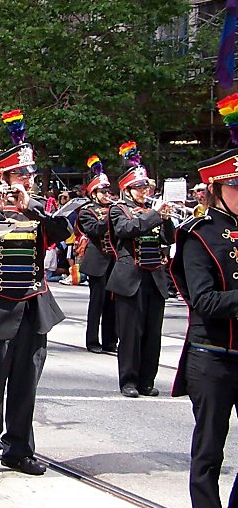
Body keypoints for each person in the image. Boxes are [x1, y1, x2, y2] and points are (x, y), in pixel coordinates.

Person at [0, 109, 71, 483]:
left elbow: (62, 232)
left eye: (29, 174)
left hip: (33, 307)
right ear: (2, 176)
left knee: (26, 385)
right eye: (19, 174)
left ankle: (20, 449)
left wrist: (31, 205)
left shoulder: (36, 210)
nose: (25, 180)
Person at [171, 94, 238, 508]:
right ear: (217, 188)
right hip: (214, 355)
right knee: (209, 453)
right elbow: (206, 302)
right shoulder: (200, 235)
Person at [107, 141, 174, 398]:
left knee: (152, 333)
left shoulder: (152, 211)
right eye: (139, 187)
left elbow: (168, 239)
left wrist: (166, 219)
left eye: (146, 186)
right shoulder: (118, 209)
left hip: (154, 277)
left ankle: (147, 379)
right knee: (130, 333)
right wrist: (155, 215)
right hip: (129, 277)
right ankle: (129, 380)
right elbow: (126, 230)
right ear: (127, 189)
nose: (144, 191)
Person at [76, 155, 117, 354]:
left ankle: (111, 341)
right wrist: (112, 215)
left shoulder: (116, 209)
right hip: (97, 261)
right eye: (103, 191)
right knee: (97, 304)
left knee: (113, 303)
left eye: (108, 190)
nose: (107, 194)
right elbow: (94, 230)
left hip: (115, 262)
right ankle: (92, 340)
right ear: (94, 193)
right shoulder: (87, 211)